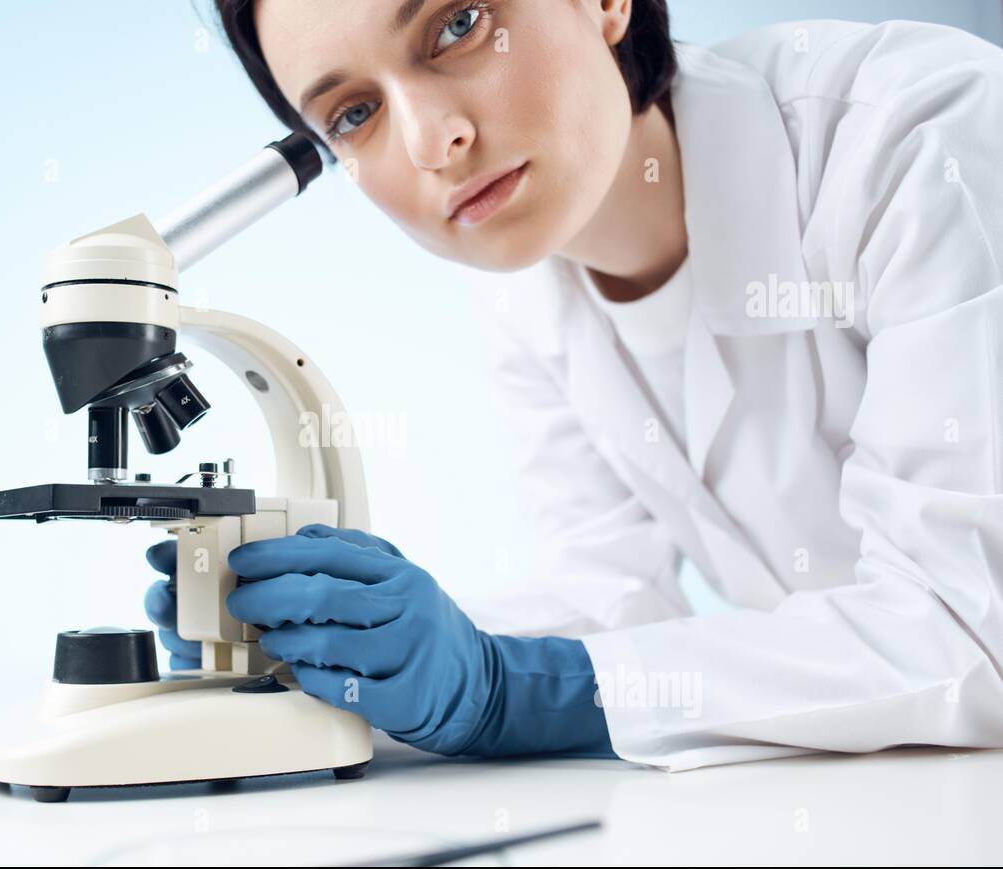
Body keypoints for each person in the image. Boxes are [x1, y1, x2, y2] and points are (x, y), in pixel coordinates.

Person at [147, 0, 1003, 770]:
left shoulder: (920, 136)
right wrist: (335, 653)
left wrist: (513, 691)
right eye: (356, 113)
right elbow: (609, 592)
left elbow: (971, 631)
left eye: (457, 25)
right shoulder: (522, 279)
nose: (429, 140)